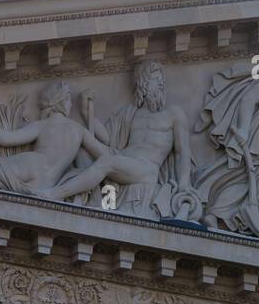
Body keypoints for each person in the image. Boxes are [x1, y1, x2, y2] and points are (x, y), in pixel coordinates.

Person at [34, 60, 196, 219]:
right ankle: (102, 202)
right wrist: (85, 111)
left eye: (162, 81)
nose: (161, 84)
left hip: (146, 169)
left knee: (107, 163)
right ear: (143, 84)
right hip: (122, 157)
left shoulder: (174, 114)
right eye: (156, 79)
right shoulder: (131, 113)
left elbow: (182, 152)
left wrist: (184, 185)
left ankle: (55, 193)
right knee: (82, 147)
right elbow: (108, 138)